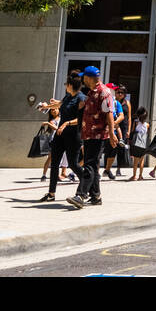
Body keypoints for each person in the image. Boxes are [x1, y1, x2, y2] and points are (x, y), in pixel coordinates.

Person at [65, 66, 115, 210]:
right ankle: (96, 196)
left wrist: (112, 133)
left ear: (89, 78)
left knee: (89, 166)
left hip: (98, 135)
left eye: (84, 77)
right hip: (88, 135)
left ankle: (80, 195)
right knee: (92, 165)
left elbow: (109, 113)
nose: (82, 80)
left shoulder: (104, 92)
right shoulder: (91, 93)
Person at [41, 71, 84, 202]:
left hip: (73, 135)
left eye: (66, 84)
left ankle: (88, 180)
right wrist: (46, 106)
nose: (65, 86)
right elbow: (59, 104)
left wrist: (67, 123)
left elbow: (82, 119)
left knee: (73, 164)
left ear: (70, 85)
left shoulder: (81, 98)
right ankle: (51, 193)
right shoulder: (68, 97)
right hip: (61, 135)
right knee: (54, 163)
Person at [104, 84, 131, 180]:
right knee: (105, 150)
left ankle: (109, 169)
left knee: (114, 149)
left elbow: (126, 117)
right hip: (105, 129)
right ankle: (104, 170)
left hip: (119, 127)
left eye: (121, 92)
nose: (119, 94)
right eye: (117, 92)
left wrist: (128, 130)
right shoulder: (105, 101)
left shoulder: (121, 103)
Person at [128, 108, 150, 180]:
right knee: (142, 161)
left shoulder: (136, 122)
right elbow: (147, 134)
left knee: (135, 161)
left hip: (136, 143)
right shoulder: (147, 125)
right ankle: (140, 176)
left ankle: (134, 176)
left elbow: (132, 131)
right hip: (143, 144)